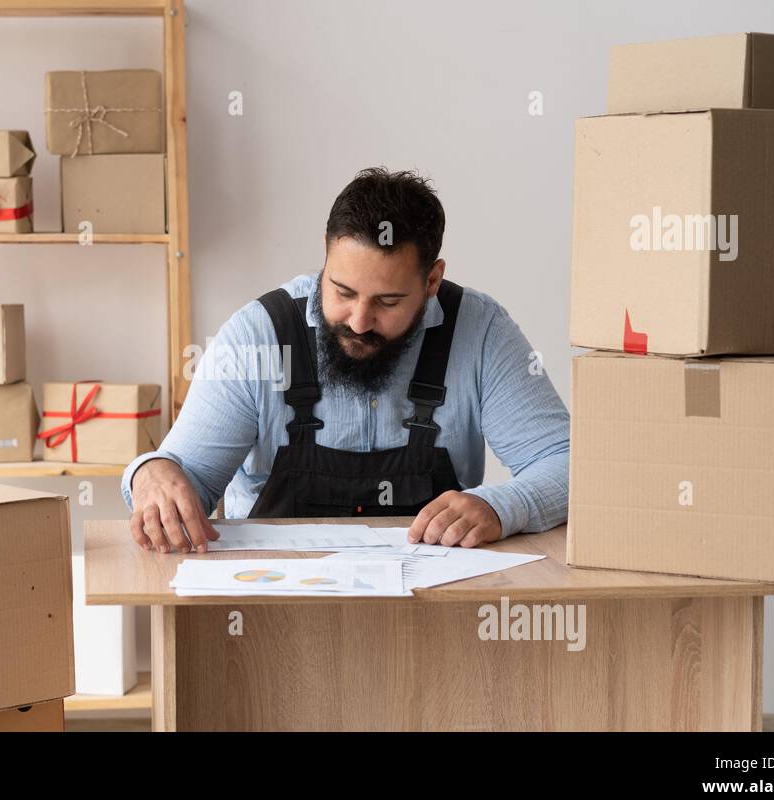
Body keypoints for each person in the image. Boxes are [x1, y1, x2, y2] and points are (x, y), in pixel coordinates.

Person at [122, 167, 569, 553]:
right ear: (326, 252)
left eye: (388, 301)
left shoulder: (480, 330)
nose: (358, 321)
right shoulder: (257, 336)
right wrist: (152, 474)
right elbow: (187, 478)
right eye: (343, 291)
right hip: (268, 615)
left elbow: (567, 461)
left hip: (430, 616)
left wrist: (501, 505)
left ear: (432, 279)